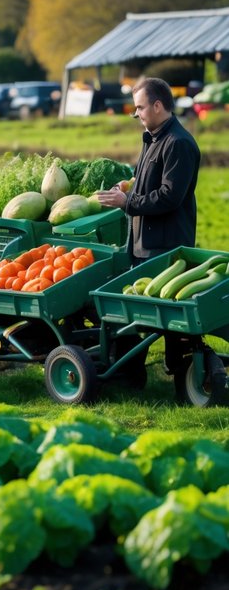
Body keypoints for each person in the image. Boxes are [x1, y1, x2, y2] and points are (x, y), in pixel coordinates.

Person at [97, 76, 201, 397]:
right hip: (143, 243)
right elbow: (148, 183)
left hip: (165, 244)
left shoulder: (178, 144)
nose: (137, 113)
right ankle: (134, 375)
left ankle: (181, 374)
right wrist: (127, 187)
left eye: (140, 107)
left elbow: (169, 197)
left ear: (158, 106)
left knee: (162, 316)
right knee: (140, 312)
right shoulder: (153, 138)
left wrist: (128, 203)